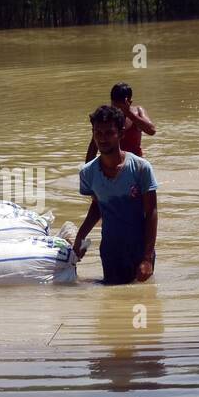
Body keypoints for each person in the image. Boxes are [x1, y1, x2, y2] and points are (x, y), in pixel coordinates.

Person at [75, 105, 158, 284]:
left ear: (121, 134)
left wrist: (147, 257)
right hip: (110, 250)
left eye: (109, 133)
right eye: (98, 133)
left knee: (142, 302)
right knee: (112, 302)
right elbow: (97, 206)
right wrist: (80, 236)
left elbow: (151, 212)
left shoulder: (141, 168)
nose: (103, 138)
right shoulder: (87, 173)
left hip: (139, 249)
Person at [85, 82, 155, 162]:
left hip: (134, 163)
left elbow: (152, 130)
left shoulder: (138, 111)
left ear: (129, 102)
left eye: (121, 107)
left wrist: (129, 113)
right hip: (111, 164)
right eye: (115, 106)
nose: (117, 111)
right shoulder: (107, 116)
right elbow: (93, 146)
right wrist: (87, 170)